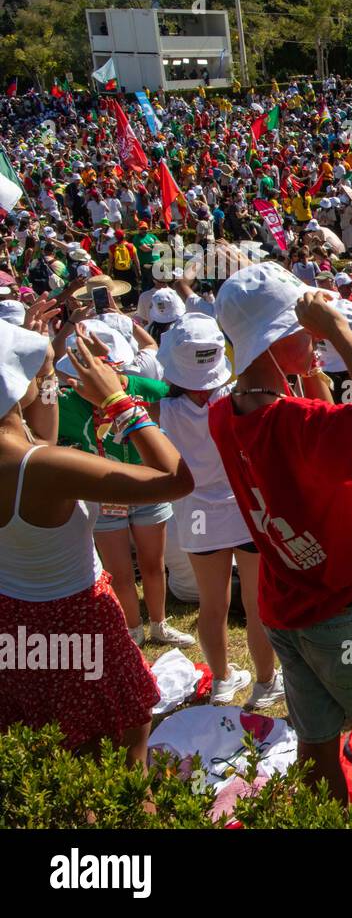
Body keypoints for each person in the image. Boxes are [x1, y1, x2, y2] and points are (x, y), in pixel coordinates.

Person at [209, 262, 352, 809]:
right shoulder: (297, 423)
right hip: (348, 604)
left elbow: (307, 444)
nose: (315, 338)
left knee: (317, 736)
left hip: (285, 607)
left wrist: (306, 369)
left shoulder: (222, 413)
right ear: (278, 340)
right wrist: (343, 331)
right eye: (303, 331)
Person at [0, 319, 193, 764]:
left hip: (14, 623)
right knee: (119, 751)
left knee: (47, 755)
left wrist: (42, 374)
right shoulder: (46, 469)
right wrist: (118, 401)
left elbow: (40, 438)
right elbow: (175, 478)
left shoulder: (37, 463)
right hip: (77, 619)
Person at [156, 313, 281, 708]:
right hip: (246, 508)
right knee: (257, 603)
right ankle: (265, 681)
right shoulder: (239, 401)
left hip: (196, 515)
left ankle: (224, 679)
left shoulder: (161, 409)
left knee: (213, 604)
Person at [55, 315, 191, 646]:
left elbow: (187, 400)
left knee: (153, 565)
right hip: (105, 496)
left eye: (81, 378)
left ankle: (158, 624)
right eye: (73, 378)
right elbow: (36, 401)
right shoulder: (66, 402)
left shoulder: (144, 389)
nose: (77, 385)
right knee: (119, 572)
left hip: (151, 489)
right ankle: (133, 630)